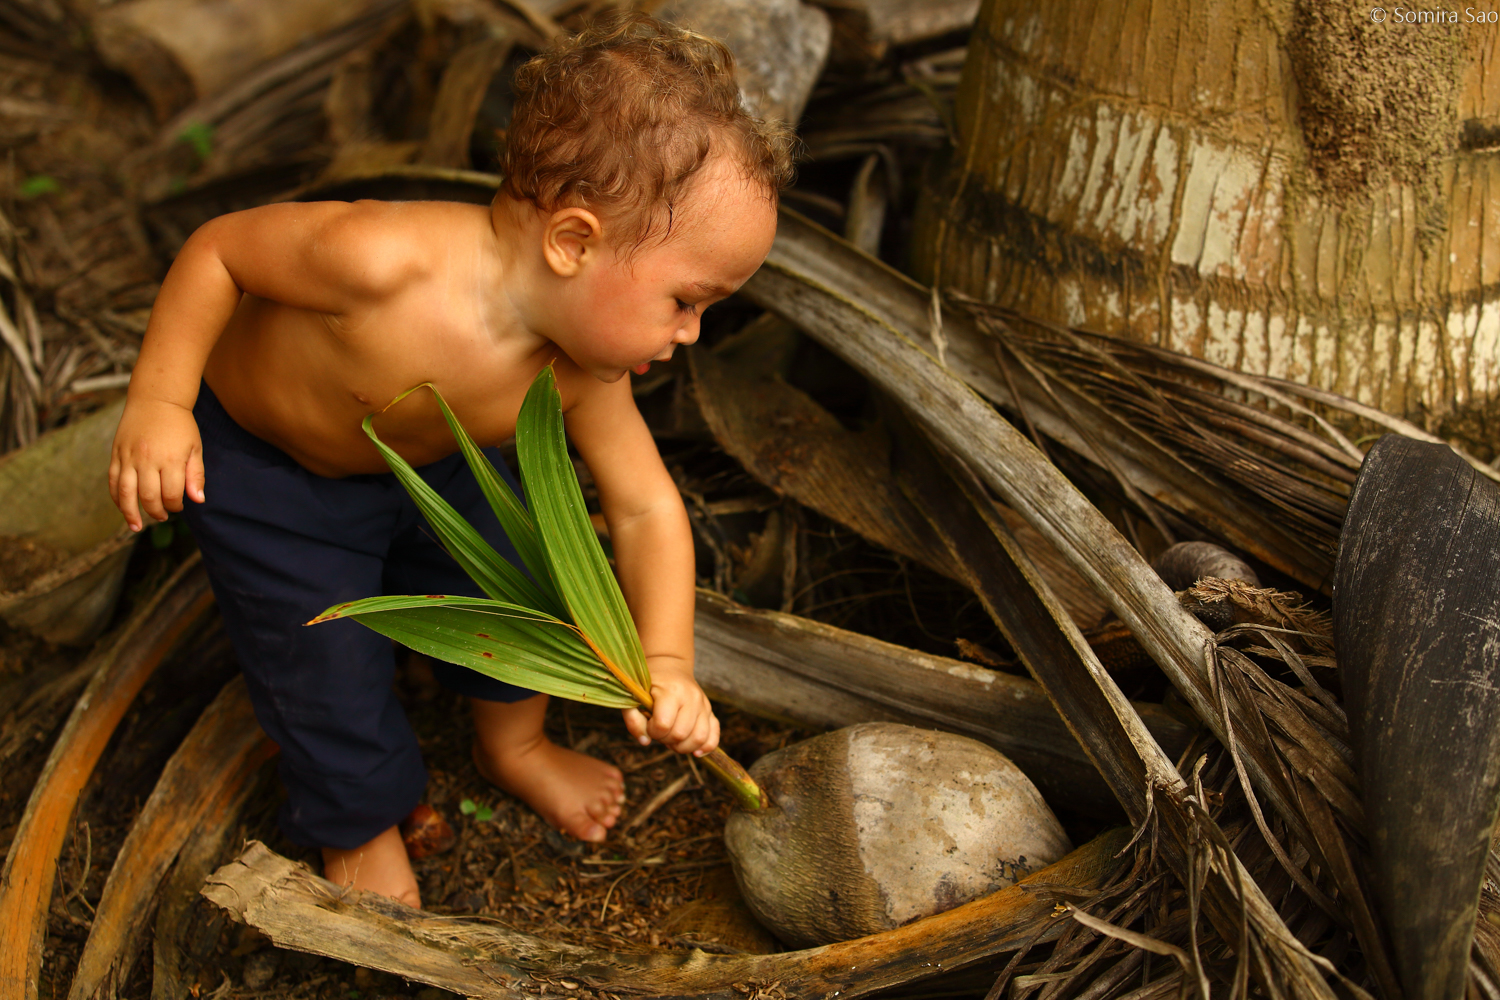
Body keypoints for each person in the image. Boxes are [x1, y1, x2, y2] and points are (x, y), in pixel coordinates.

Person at [106, 11, 792, 908]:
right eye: (685, 301)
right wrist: (160, 402)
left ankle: (512, 744)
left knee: (520, 582)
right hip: (278, 480)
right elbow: (221, 251)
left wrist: (666, 659)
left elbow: (645, 508)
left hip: (435, 476)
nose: (691, 334)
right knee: (322, 661)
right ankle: (355, 825)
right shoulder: (379, 261)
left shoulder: (580, 371)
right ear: (574, 242)